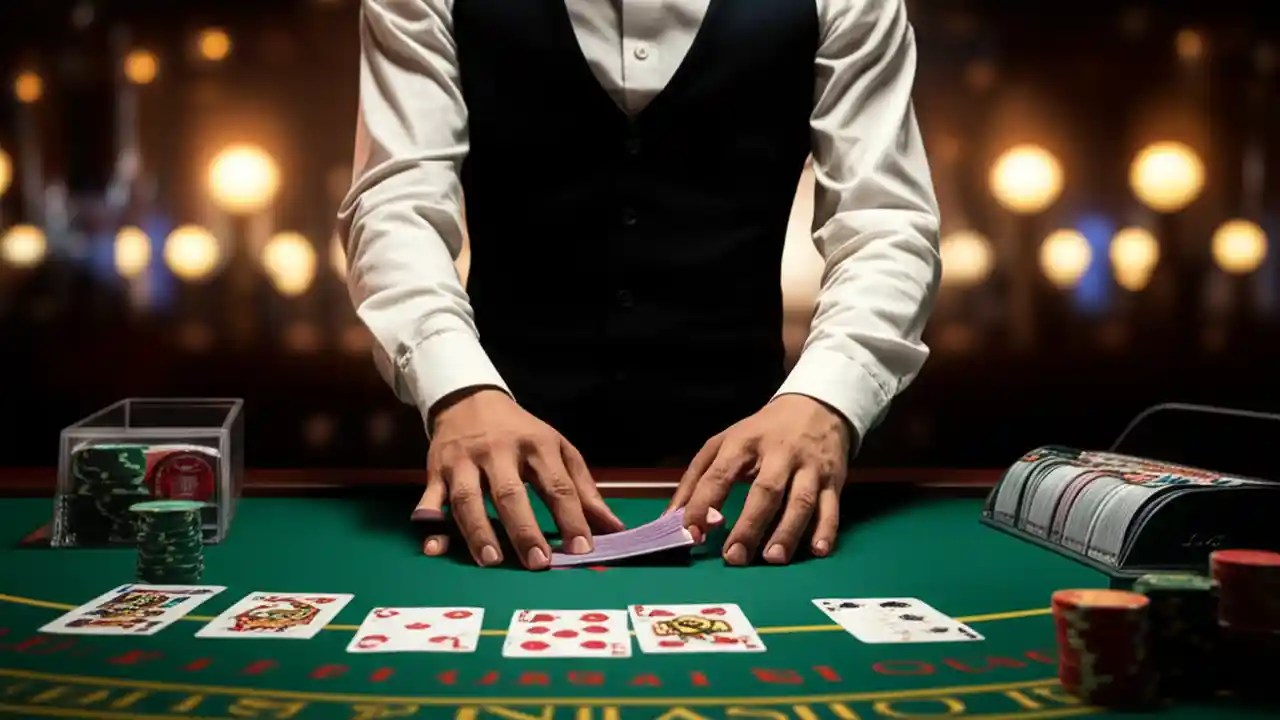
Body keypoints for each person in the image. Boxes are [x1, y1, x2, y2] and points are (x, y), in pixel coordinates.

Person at [337, 0, 941, 571]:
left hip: (752, 482)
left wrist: (826, 400)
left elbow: (883, 218)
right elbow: (397, 203)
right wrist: (456, 389)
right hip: (490, 475)